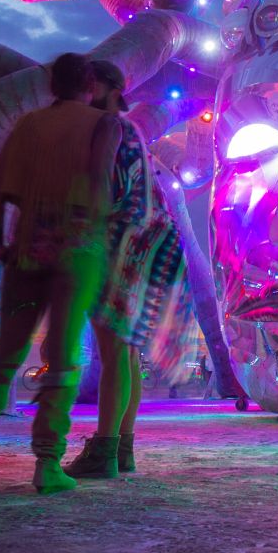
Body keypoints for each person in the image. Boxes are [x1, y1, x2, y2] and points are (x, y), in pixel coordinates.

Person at [0, 52, 121, 494]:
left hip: (27, 246)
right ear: (90, 85)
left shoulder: (28, 125)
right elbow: (100, 182)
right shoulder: (104, 124)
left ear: (51, 84)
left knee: (5, 356)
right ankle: (47, 463)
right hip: (79, 247)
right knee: (64, 359)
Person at [65, 60, 189, 480]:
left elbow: (100, 185)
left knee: (113, 350)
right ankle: (121, 448)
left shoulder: (107, 125)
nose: (84, 92)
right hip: (150, 244)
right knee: (126, 352)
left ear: (107, 89)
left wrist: (80, 234)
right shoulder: (131, 129)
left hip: (122, 243)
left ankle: (104, 451)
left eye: (89, 85)